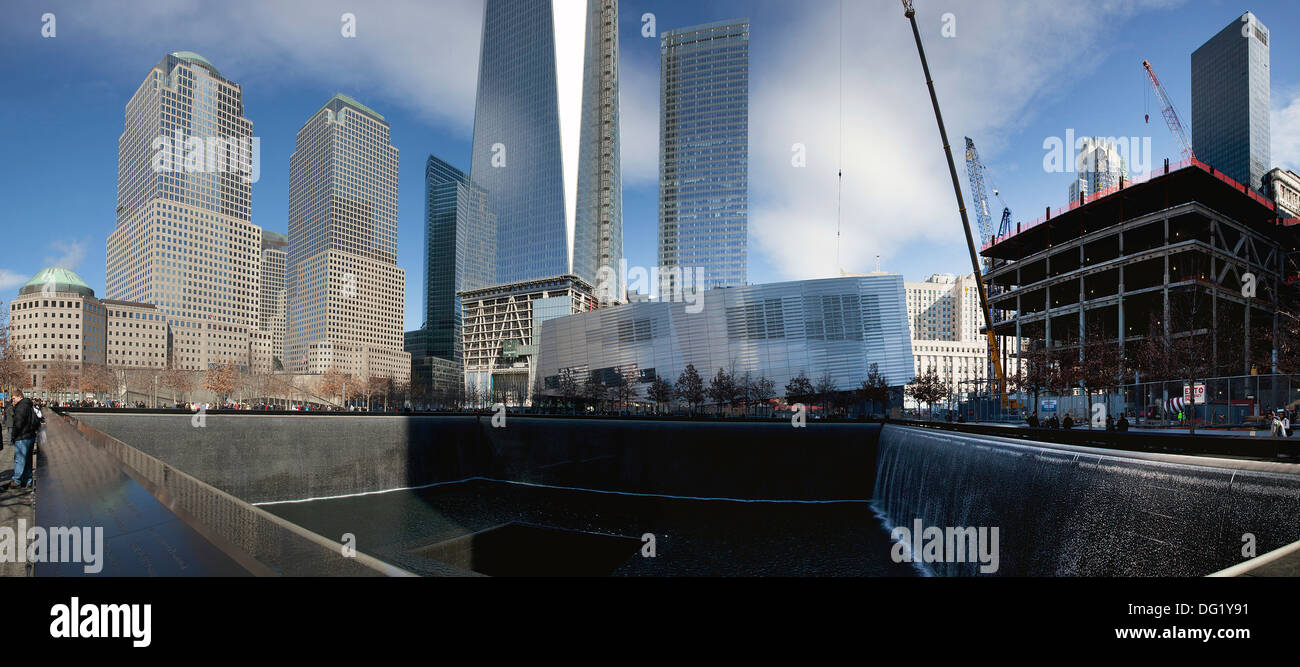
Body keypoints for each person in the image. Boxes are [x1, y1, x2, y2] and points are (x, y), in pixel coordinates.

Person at [6, 389, 40, 490]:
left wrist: (13, 436)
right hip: (30, 435)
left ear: (19, 396)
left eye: (14, 398)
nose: (13, 401)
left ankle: (17, 480)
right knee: (28, 459)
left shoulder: (21, 407)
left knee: (19, 459)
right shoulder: (29, 405)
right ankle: (28, 479)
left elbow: (18, 423)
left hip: (22, 436)